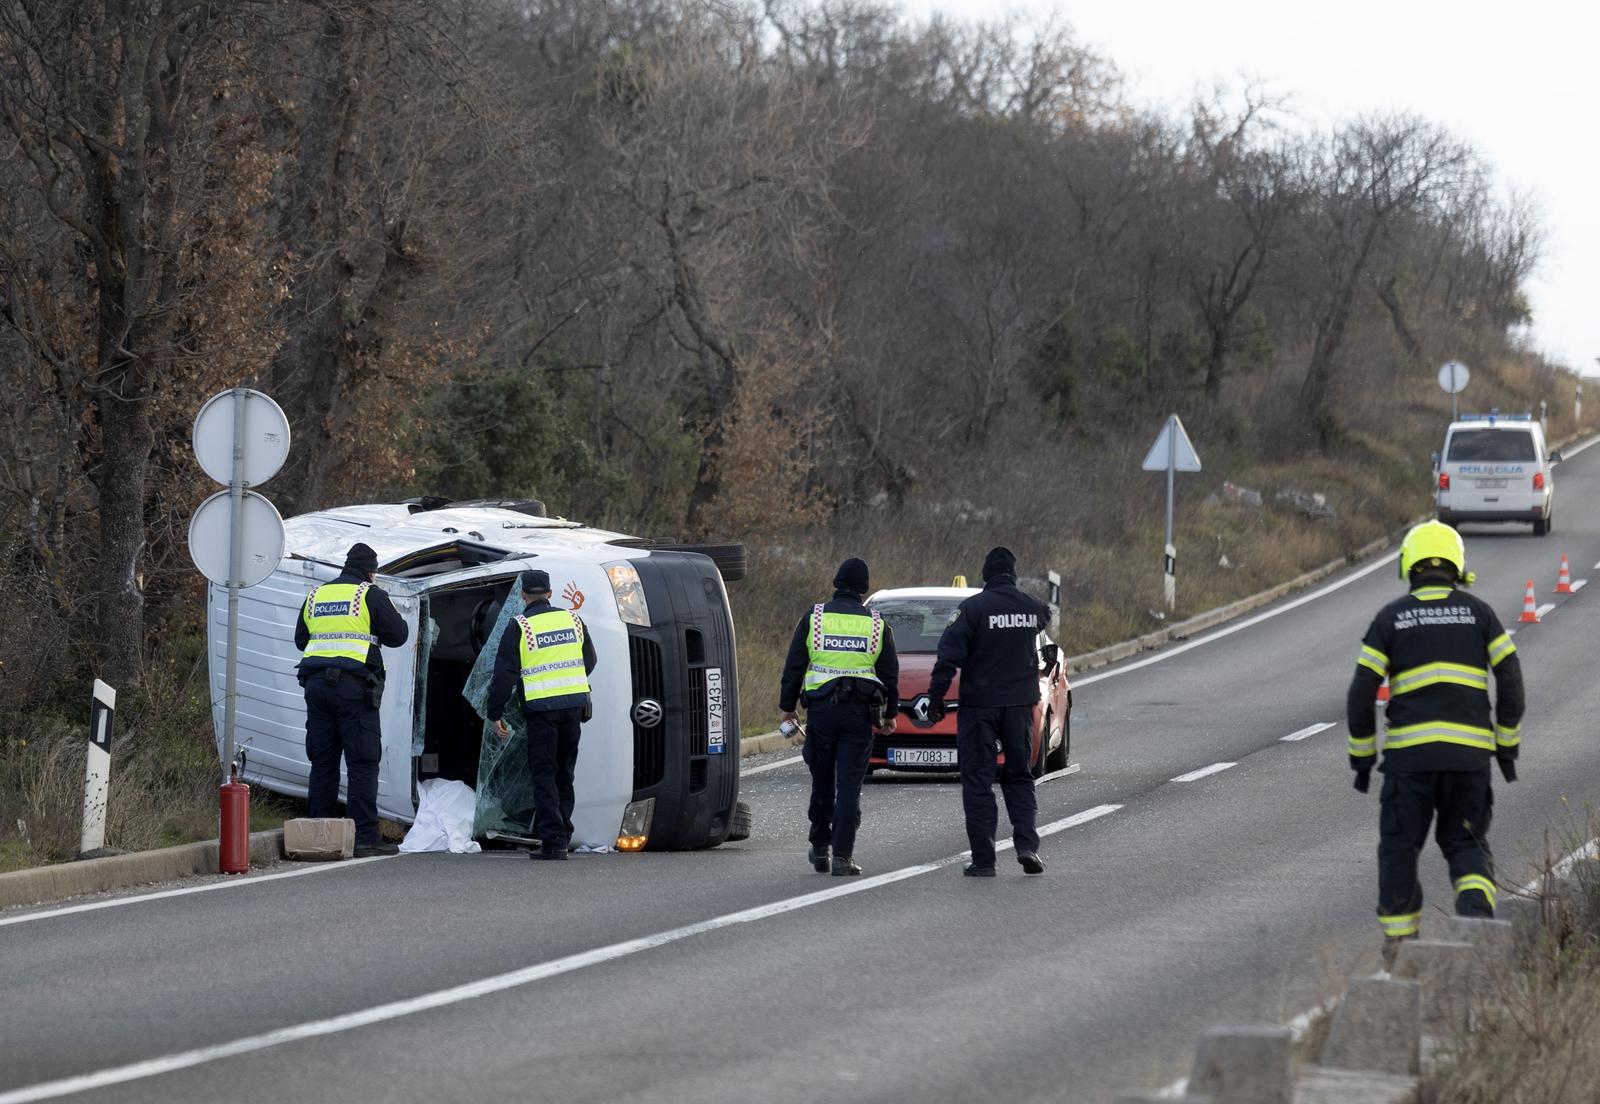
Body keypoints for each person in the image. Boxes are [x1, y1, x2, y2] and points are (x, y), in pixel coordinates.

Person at [1347, 520, 1524, 965]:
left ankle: (1401, 954)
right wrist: (1505, 746)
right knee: (1466, 845)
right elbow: (1511, 677)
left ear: (1409, 566)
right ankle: (1477, 929)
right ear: (1457, 567)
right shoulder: (1479, 613)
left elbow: (1361, 691)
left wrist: (1363, 757)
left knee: (1400, 849)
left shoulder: (1391, 617)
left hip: (1410, 764)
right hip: (1468, 762)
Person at [926, 546, 1051, 877]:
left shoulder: (973, 609)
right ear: (1014, 573)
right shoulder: (1033, 608)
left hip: (979, 707)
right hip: (1019, 707)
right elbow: (1044, 618)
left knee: (979, 780)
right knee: (1020, 775)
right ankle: (1027, 846)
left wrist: (936, 699)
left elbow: (948, 656)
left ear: (986, 574)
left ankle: (984, 861)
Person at [779, 557, 899, 876]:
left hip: (822, 713)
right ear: (864, 589)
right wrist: (890, 716)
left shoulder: (815, 618)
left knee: (822, 782)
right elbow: (890, 675)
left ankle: (820, 847)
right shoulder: (876, 624)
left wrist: (787, 706)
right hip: (859, 715)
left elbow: (795, 665)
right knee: (848, 786)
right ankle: (842, 857)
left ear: (836, 582)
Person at [294, 542, 410, 857]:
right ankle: (364, 839)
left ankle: (320, 836)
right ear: (370, 571)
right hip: (353, 689)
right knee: (362, 761)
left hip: (316, 688)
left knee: (323, 761)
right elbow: (399, 635)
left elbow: (301, 640)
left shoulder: (316, 595)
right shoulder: (369, 594)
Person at [487, 569, 598, 860]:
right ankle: (564, 835)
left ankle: (553, 842)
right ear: (550, 593)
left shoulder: (519, 626)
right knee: (564, 773)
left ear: (523, 595)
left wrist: (494, 712)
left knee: (544, 775)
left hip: (541, 712)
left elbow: (504, 676)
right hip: (573, 710)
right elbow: (590, 661)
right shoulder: (573, 618)